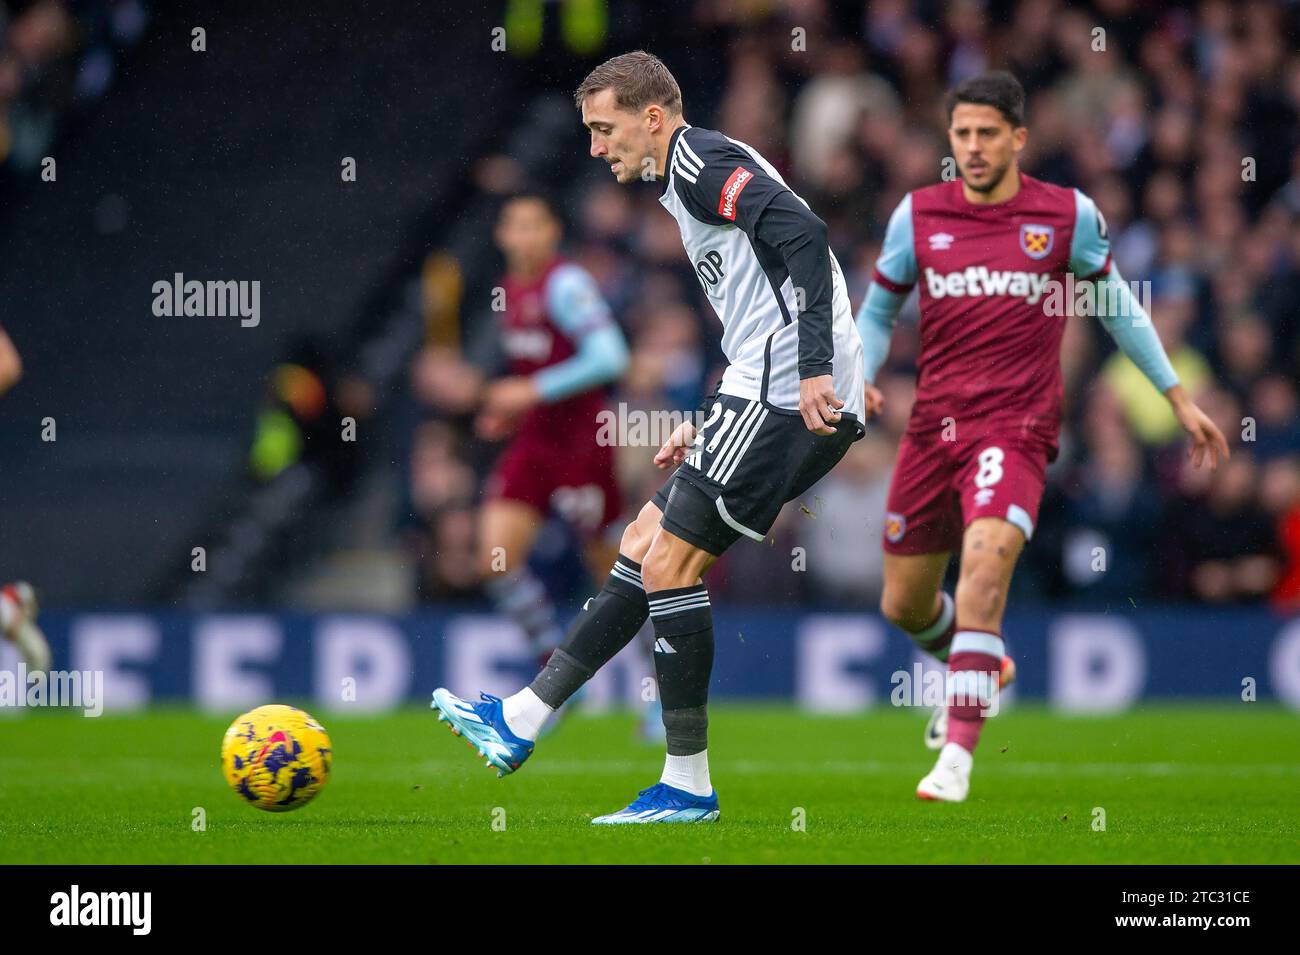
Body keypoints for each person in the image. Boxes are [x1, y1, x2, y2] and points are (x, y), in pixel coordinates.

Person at [431, 50, 867, 824]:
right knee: (643, 537)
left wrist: (811, 370)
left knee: (669, 560)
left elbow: (803, 232)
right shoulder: (684, 180)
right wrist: (714, 415)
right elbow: (759, 298)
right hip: (758, 390)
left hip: (784, 394)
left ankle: (687, 784)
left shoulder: (699, 159)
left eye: (606, 129)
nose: (598, 148)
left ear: (653, 118)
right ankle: (525, 717)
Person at [856, 71, 1228, 802]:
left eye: (987, 133)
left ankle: (957, 755)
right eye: (961, 133)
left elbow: (1116, 305)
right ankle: (984, 662)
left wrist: (1177, 397)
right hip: (934, 428)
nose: (972, 146)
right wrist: (865, 377)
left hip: (1017, 427)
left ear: (1018, 138)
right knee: (902, 602)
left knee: (985, 566)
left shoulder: (1066, 216)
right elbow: (876, 310)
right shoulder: (918, 215)